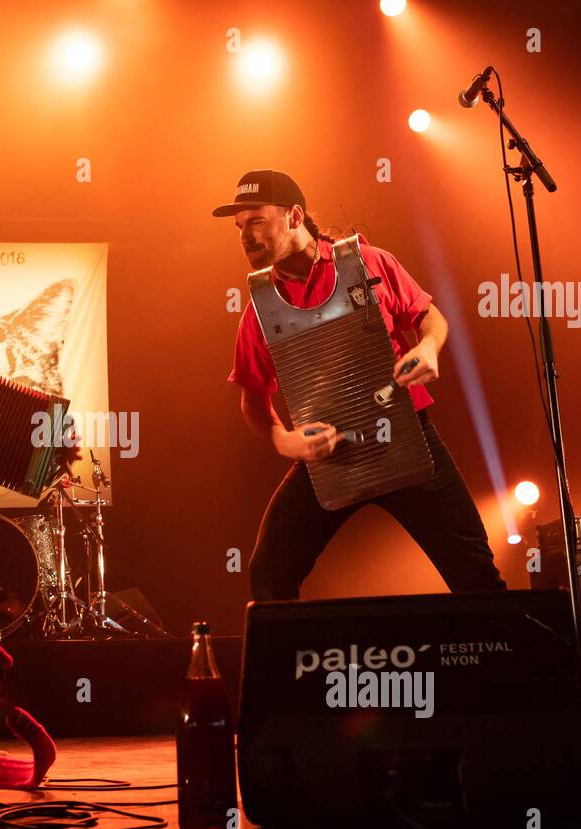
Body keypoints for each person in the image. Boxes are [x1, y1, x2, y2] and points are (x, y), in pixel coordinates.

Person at [214, 169, 505, 600]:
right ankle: (291, 668)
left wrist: (428, 348)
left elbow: (429, 317)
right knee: (270, 575)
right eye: (239, 227)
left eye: (256, 220)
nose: (244, 235)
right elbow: (253, 397)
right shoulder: (258, 309)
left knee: (476, 576)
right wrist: (282, 439)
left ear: (294, 216)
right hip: (329, 459)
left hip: (406, 440)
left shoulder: (367, 262)